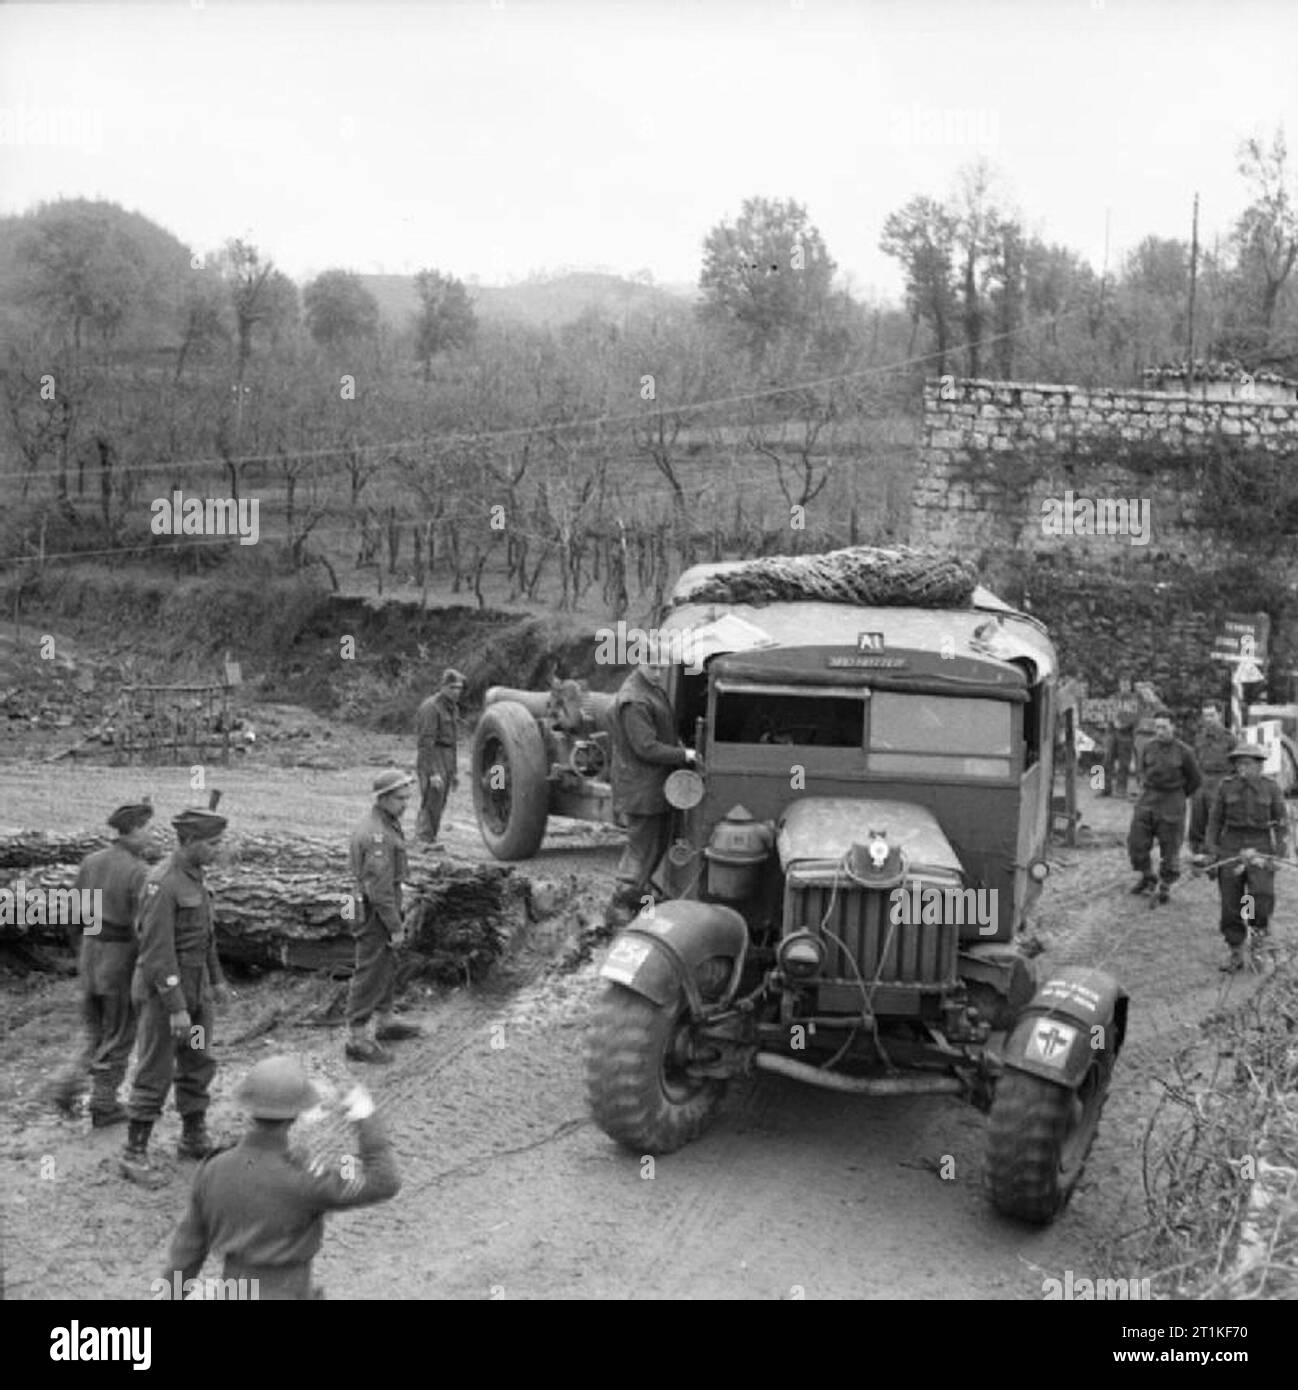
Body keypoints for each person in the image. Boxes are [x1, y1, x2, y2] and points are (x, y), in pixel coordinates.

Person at [161, 1056, 400, 1300]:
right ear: (296, 1115)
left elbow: (186, 1253)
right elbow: (383, 1181)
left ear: (249, 1110)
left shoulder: (213, 1169)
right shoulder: (306, 1178)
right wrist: (363, 1116)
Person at [121, 807, 231, 1182]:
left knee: (197, 1058)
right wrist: (176, 1008)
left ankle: (193, 1135)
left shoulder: (195, 878)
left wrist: (216, 980)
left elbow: (204, 937)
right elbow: (156, 952)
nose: (219, 849)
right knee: (157, 1065)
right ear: (189, 842)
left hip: (196, 996)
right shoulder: (163, 883)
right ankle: (134, 1151)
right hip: (164, 1000)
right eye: (212, 844)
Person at [51, 799, 156, 1126]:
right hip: (118, 959)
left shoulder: (91, 861)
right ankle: (103, 1103)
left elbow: (74, 915)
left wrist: (80, 949)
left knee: (95, 1032)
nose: (152, 834)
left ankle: (69, 1083)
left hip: (90, 954)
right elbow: (145, 928)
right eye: (148, 828)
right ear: (133, 830)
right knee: (121, 1032)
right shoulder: (138, 872)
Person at [605, 641, 698, 927]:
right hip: (640, 787)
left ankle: (636, 898)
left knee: (655, 844)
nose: (659, 673)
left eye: (662, 667)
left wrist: (680, 747)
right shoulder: (634, 700)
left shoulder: (650, 689)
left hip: (652, 786)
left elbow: (665, 733)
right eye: (653, 667)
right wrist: (685, 754)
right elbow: (645, 747)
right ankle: (619, 903)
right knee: (641, 846)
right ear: (639, 662)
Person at [346, 769, 422, 1063]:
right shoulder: (376, 835)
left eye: (407, 798)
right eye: (400, 799)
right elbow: (378, 890)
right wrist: (395, 926)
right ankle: (356, 1037)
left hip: (375, 904)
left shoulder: (386, 822)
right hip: (373, 910)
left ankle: (386, 1020)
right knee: (370, 970)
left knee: (387, 963)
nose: (406, 804)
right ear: (384, 798)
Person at [1202, 742, 1288, 972]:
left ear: (1260, 766)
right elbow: (1214, 821)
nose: (1242, 768)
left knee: (1260, 895)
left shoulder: (1271, 788)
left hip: (1260, 845)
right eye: (1239, 763)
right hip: (1232, 845)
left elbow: (1282, 823)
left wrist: (1278, 853)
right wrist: (1212, 849)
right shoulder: (1226, 787)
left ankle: (1258, 940)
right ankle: (1236, 949)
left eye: (1248, 763)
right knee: (1233, 899)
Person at [1128, 713, 1201, 903]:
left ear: (1173, 727)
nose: (1160, 732)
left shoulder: (1185, 752)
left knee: (1170, 848)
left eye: (1164, 728)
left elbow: (1195, 780)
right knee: (1136, 841)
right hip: (1148, 798)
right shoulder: (1148, 747)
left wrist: (1178, 795)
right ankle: (1147, 877)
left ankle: (1165, 885)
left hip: (1172, 800)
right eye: (1157, 727)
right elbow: (1141, 770)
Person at [414, 668, 465, 845]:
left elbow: (453, 741)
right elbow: (425, 743)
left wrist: (455, 771)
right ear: (443, 687)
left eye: (459, 688)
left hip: (448, 756)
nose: (456, 691)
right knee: (431, 800)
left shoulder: (453, 708)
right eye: (452, 687)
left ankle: (430, 839)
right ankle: (423, 839)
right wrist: (432, 772)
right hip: (433, 755)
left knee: (440, 802)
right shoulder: (431, 707)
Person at [1188, 703, 1235, 855]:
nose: (1208, 719)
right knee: (1197, 817)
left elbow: (1236, 763)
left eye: (1212, 715)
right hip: (1201, 780)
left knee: (1216, 818)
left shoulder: (1229, 738)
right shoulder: (1199, 736)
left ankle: (1218, 852)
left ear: (1220, 715)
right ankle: (1199, 853)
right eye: (1205, 715)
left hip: (1220, 780)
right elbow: (1194, 758)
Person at [1100, 680, 1139, 798]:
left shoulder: (1134, 700)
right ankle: (1102, 789)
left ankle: (1121, 790)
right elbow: (1104, 713)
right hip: (1111, 732)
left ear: (1130, 686)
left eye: (1127, 685)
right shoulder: (1113, 698)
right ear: (1119, 685)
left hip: (1126, 734)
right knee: (1105, 761)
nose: (1124, 687)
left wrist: (1125, 723)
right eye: (1122, 684)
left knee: (1124, 764)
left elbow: (1136, 717)